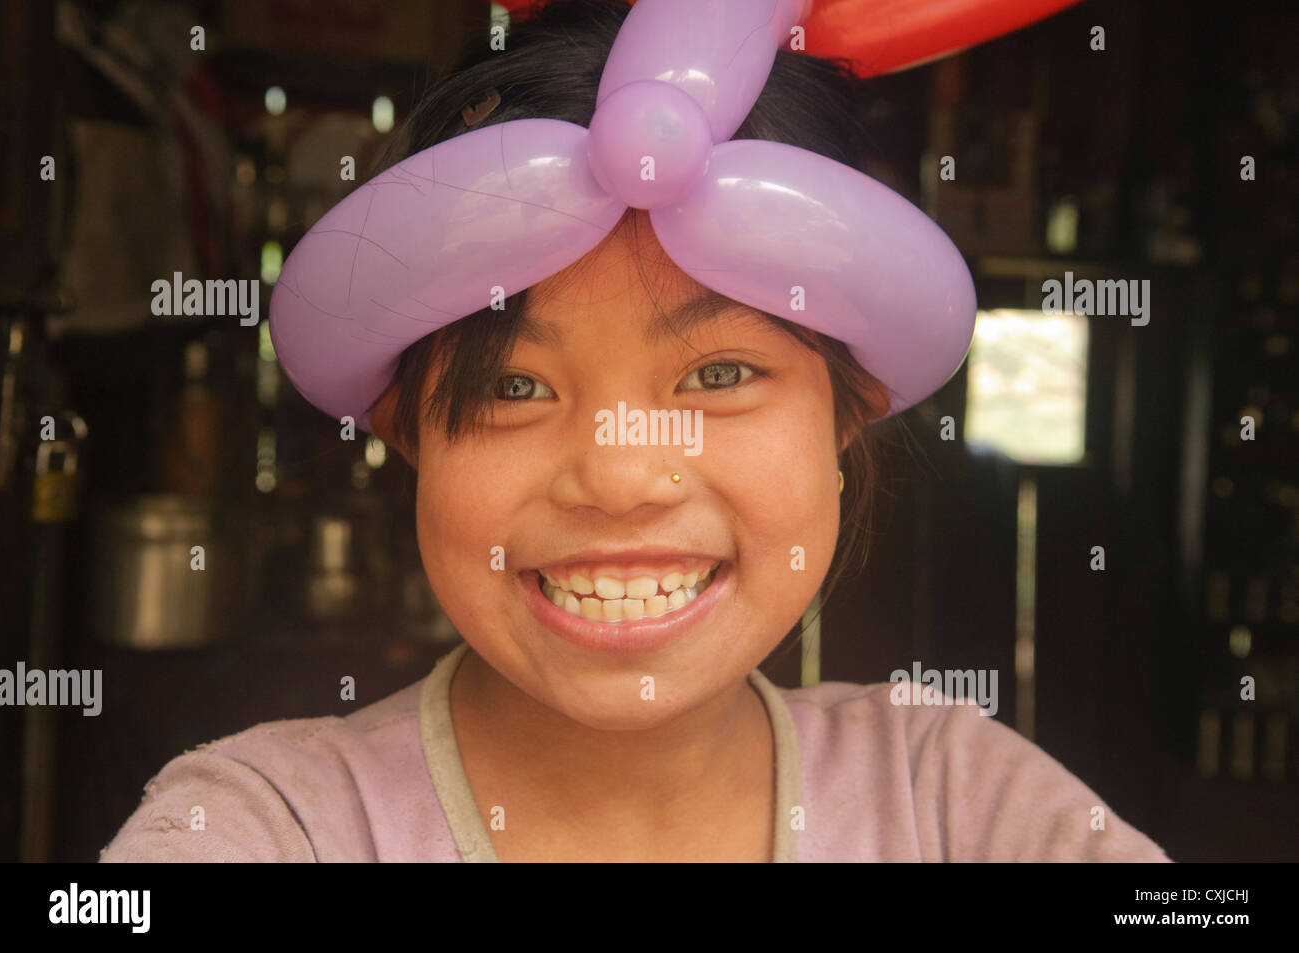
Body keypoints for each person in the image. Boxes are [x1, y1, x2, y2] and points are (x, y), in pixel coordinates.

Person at [101, 0, 1170, 862]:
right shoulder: (269, 824)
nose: (618, 474)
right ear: (405, 428)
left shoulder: (954, 801)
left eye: (717, 372)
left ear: (849, 407)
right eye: (514, 386)